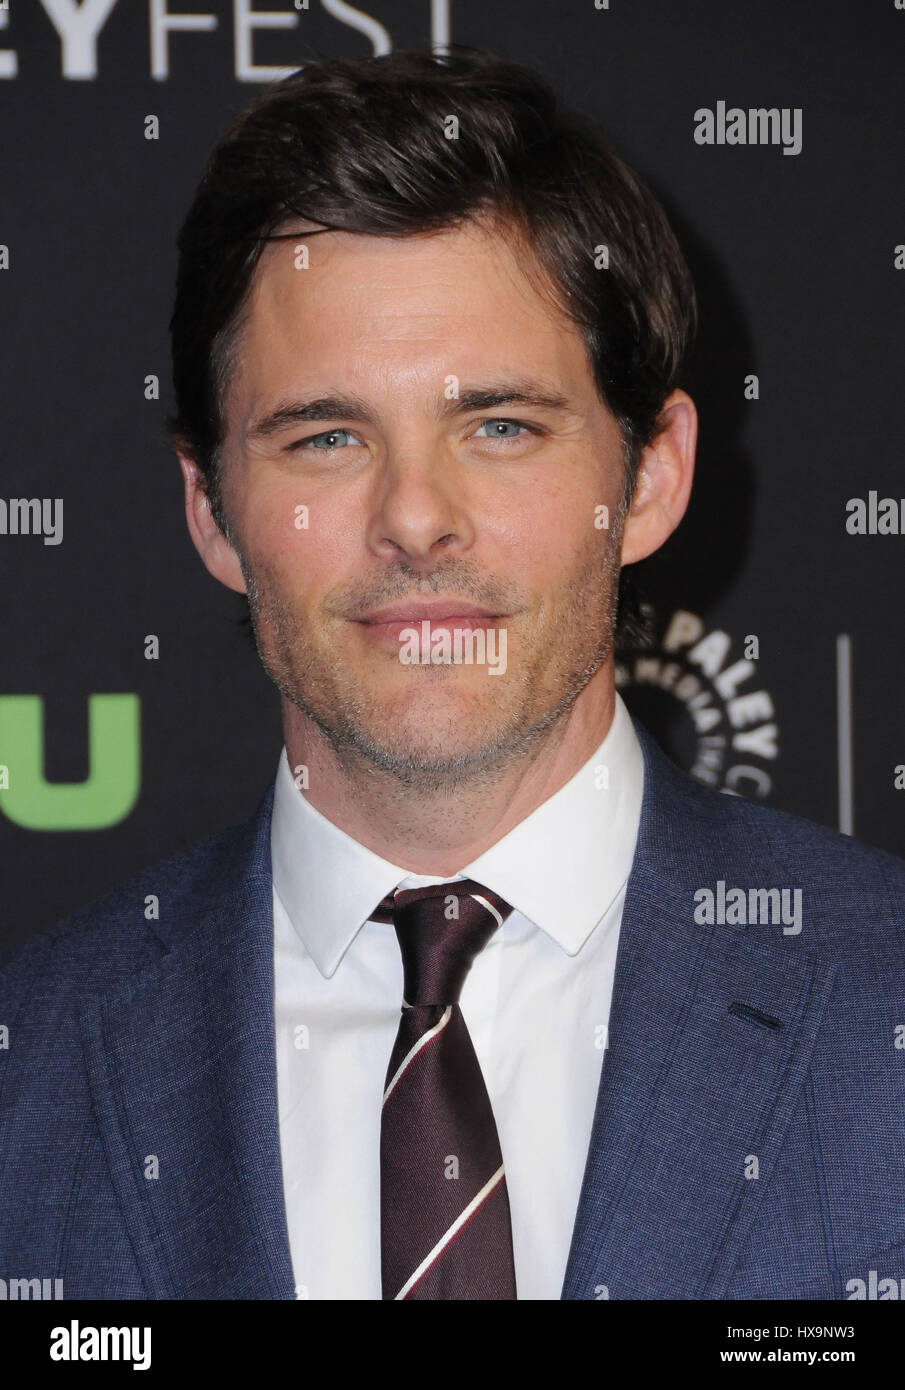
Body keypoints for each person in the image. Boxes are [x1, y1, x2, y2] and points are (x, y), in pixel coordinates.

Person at [2, 46, 904, 1303]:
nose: (415, 517)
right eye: (326, 436)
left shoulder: (881, 1002)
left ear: (647, 475)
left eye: (499, 426)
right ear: (210, 507)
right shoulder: (29, 1070)